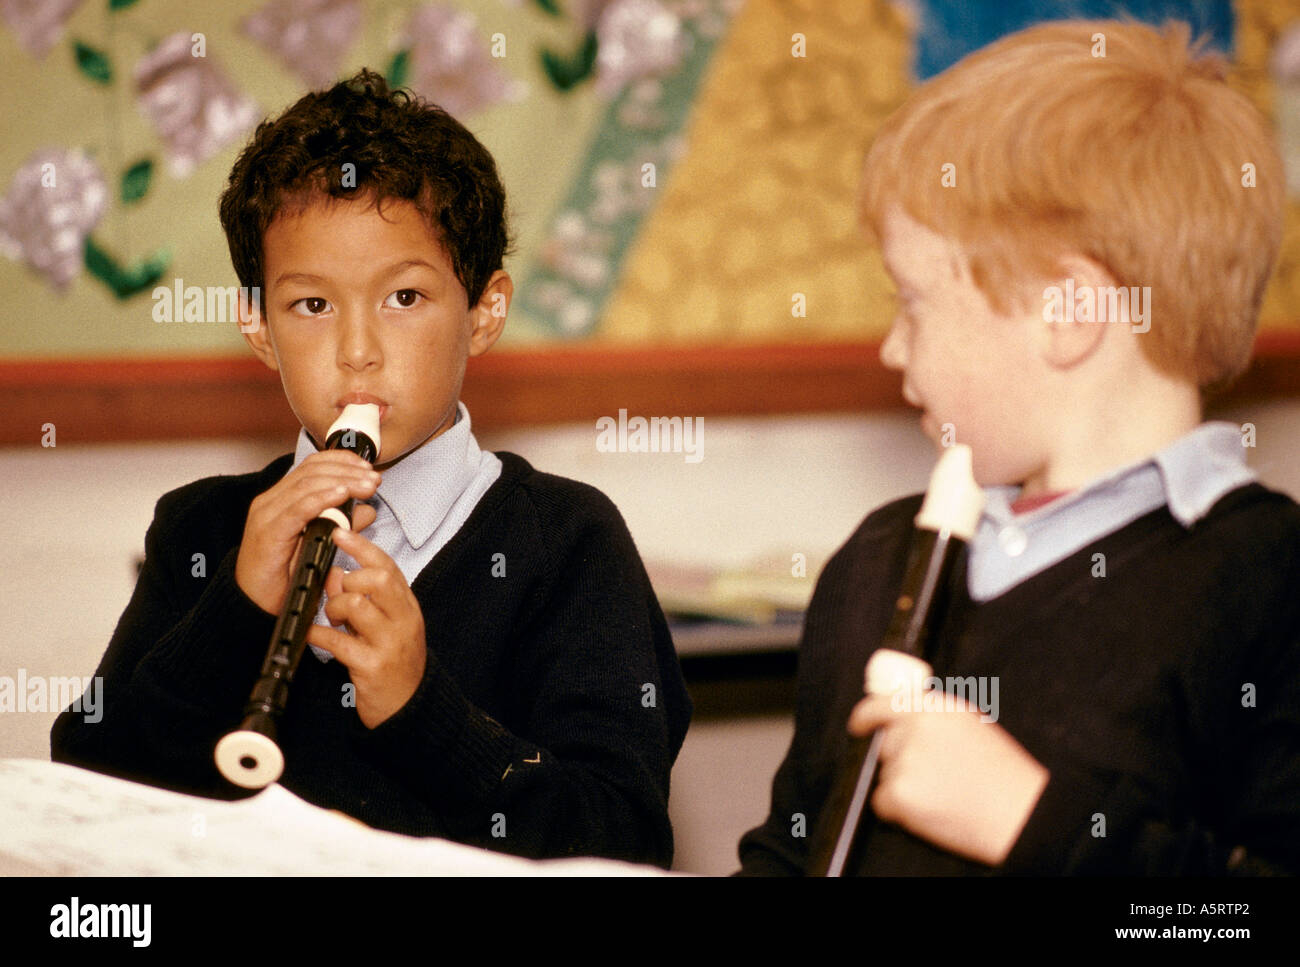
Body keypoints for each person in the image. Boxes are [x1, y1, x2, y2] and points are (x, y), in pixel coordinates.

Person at [52, 69, 691, 868]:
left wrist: (422, 710)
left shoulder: (568, 542)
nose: (357, 350)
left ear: (485, 311)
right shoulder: (203, 527)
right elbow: (90, 781)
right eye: (312, 306)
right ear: (258, 329)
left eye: (405, 298)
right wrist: (238, 610)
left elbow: (620, 839)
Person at [739, 19, 1300, 875]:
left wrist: (1032, 822)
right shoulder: (877, 563)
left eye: (914, 302)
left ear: (1070, 312)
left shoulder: (1269, 582)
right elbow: (792, 851)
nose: (892, 348)